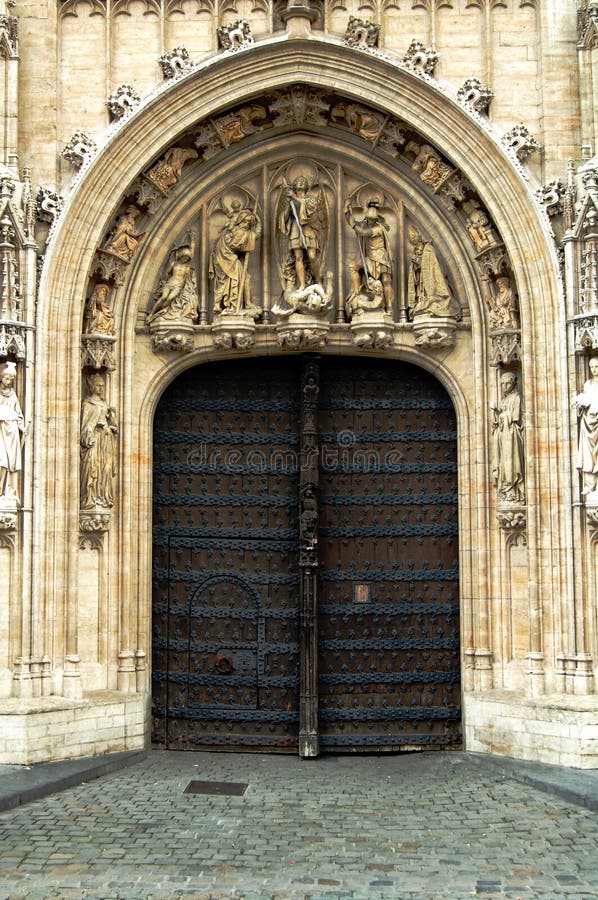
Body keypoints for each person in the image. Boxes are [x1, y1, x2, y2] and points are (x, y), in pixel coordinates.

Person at [345, 198, 394, 315]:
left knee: (386, 280)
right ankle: (357, 291)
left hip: (381, 257)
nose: (370, 221)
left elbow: (363, 233)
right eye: (369, 219)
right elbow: (355, 224)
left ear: (376, 220)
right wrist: (347, 212)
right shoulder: (365, 225)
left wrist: (353, 225)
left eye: (373, 220)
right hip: (370, 258)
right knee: (353, 266)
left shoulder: (379, 228)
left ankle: (390, 307)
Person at [209, 208, 261, 315]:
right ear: (240, 221)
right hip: (227, 258)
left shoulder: (232, 229)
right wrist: (258, 223)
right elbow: (241, 243)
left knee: (230, 280)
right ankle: (233, 305)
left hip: (223, 258)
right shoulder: (239, 231)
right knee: (238, 279)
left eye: (249, 223)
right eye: (245, 222)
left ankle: (219, 304)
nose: (247, 225)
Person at [80, 373, 118, 510]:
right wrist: (94, 429)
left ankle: (103, 497)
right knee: (92, 468)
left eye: (103, 386)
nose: (101, 388)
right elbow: (85, 426)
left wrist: (112, 422)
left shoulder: (104, 404)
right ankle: (91, 498)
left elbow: (113, 425)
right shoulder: (87, 404)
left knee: (106, 469)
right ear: (91, 386)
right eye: (98, 385)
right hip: (95, 442)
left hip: (106, 441)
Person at [278, 176, 323, 291]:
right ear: (294, 186)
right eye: (298, 181)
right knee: (298, 257)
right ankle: (302, 285)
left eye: (304, 181)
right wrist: (289, 203)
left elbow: (310, 209)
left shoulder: (310, 199)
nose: (301, 181)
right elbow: (285, 217)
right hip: (295, 229)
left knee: (312, 256)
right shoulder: (291, 200)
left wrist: (294, 197)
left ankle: (318, 280)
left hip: (308, 229)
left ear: (307, 186)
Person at [407, 226, 461, 319]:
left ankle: (435, 301)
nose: (412, 238)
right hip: (421, 284)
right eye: (410, 237)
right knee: (422, 295)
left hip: (431, 282)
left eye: (413, 235)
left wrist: (420, 261)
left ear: (419, 237)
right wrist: (416, 265)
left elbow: (434, 268)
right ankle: (424, 302)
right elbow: (417, 271)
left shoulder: (429, 249)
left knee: (431, 295)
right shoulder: (416, 251)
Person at [491, 371, 525, 503]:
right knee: (503, 463)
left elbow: (516, 418)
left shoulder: (517, 398)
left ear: (513, 383)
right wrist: (496, 412)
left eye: (507, 383)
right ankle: (506, 488)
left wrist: (501, 415)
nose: (505, 386)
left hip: (511, 435)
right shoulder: (504, 400)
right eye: (502, 384)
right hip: (502, 435)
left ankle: (513, 491)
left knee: (511, 462)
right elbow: (497, 422)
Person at [147, 240, 198, 325]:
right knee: (163, 297)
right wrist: (166, 282)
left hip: (179, 286)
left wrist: (192, 240)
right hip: (170, 283)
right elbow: (167, 273)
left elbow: (193, 254)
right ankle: (152, 313)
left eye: (187, 258)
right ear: (181, 256)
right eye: (185, 257)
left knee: (170, 298)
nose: (186, 259)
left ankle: (159, 312)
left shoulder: (187, 267)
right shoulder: (174, 264)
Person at [0, 362, 26, 504]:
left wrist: (22, 427)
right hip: (1, 432)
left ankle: (9, 492)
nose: (9, 382)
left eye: (11, 379)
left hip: (12, 432)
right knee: (2, 463)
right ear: (1, 378)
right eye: (7, 378)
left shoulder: (13, 396)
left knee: (10, 464)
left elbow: (19, 414)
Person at [574, 356, 598, 495]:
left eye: (597, 366)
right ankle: (591, 484)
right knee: (588, 454)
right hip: (588, 422)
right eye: (592, 367)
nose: (594, 370)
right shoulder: (588, 384)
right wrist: (579, 404)